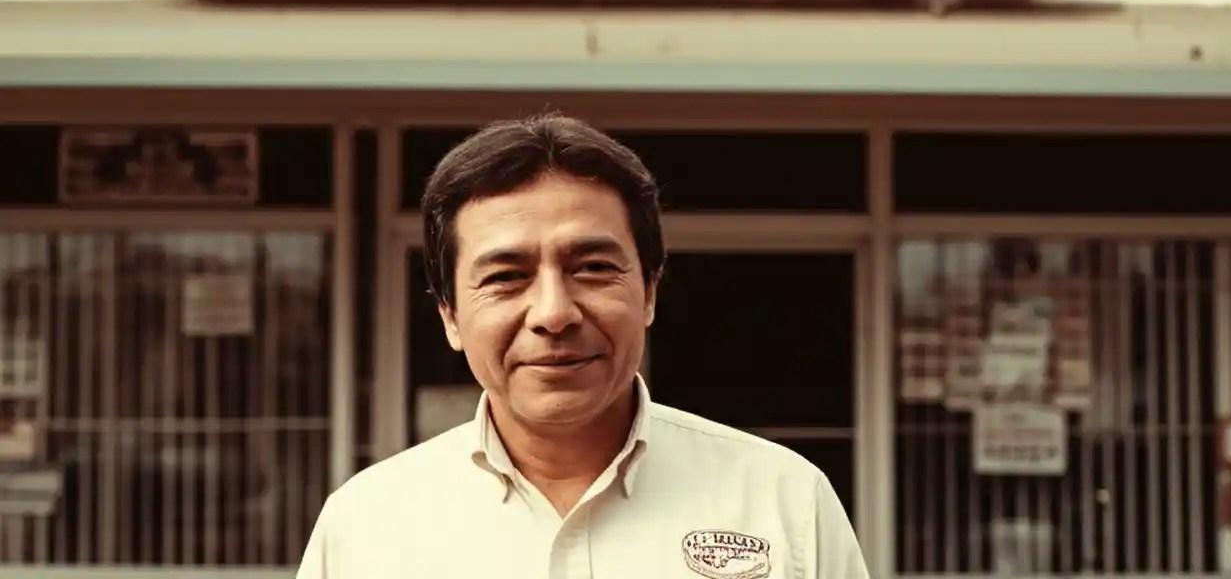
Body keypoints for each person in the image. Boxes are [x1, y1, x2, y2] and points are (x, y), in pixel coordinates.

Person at [295, 113, 871, 578]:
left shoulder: (783, 501)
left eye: (593, 267)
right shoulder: (368, 526)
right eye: (505, 277)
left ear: (648, 292)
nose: (553, 313)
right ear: (449, 314)